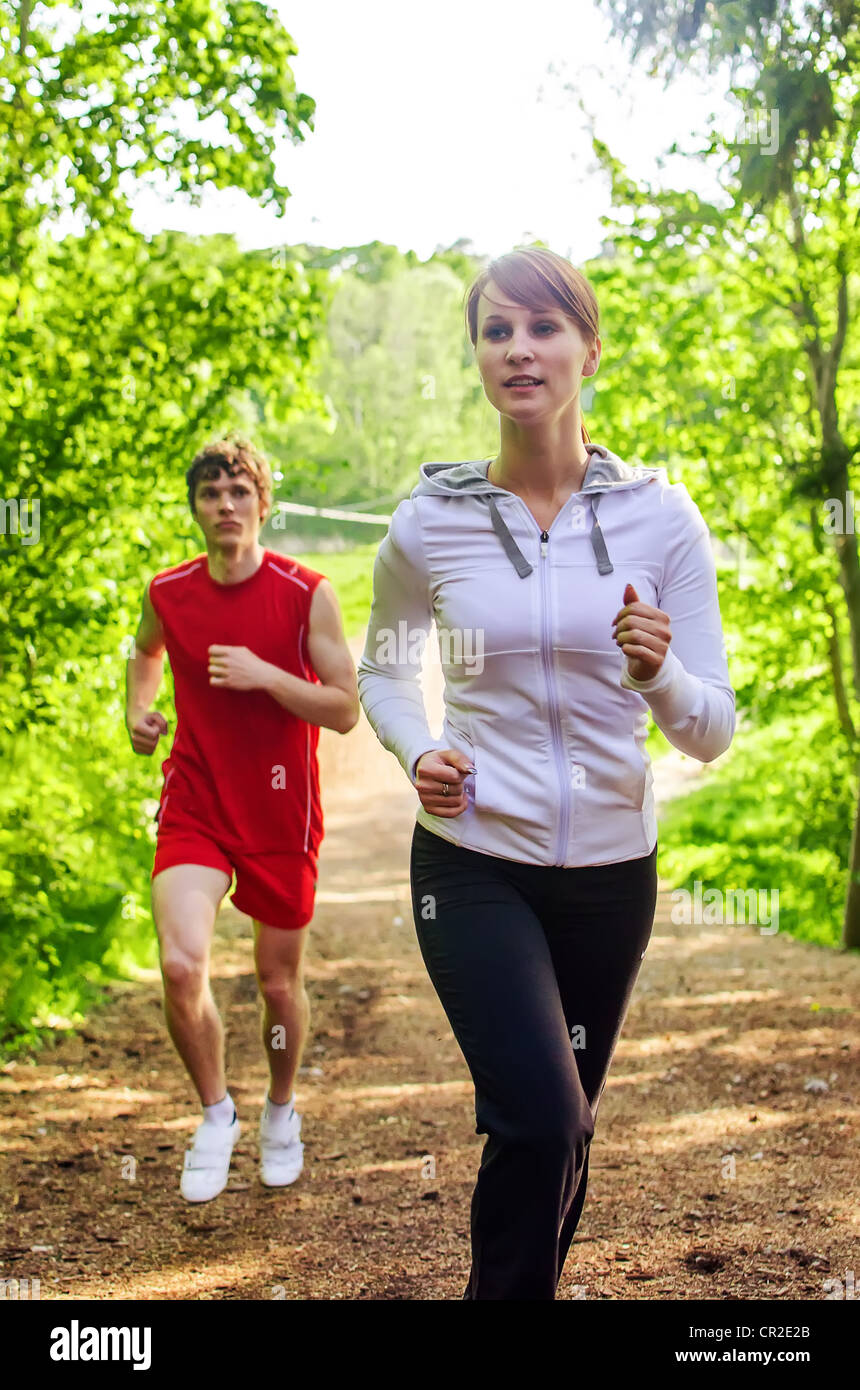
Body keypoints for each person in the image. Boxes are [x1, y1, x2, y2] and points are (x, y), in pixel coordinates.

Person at [356, 247, 735, 1299]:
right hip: (475, 858)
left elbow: (709, 732)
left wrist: (656, 675)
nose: (517, 349)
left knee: (562, 1128)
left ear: (588, 349)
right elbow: (382, 670)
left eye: (542, 327)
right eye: (495, 330)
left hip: (611, 872)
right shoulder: (426, 522)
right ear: (477, 355)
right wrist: (416, 743)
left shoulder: (661, 518)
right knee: (544, 1112)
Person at [125, 437, 359, 1202]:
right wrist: (139, 712)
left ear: (262, 504)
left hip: (278, 812)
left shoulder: (305, 592)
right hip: (195, 802)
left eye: (238, 493)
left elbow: (345, 708)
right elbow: (146, 652)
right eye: (210, 494)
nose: (225, 506)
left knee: (276, 981)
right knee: (182, 965)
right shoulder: (169, 591)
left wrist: (266, 677)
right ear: (195, 508)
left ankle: (280, 1109)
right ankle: (216, 1112)